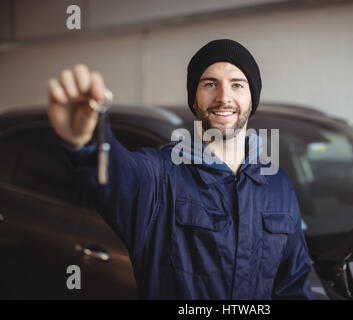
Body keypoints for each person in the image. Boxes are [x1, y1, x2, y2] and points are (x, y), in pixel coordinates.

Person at [47, 39, 313, 299]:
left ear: (251, 99)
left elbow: (293, 284)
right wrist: (87, 141)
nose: (224, 97)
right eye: (210, 84)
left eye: (237, 84)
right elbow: (119, 175)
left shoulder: (277, 183)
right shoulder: (160, 175)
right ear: (194, 100)